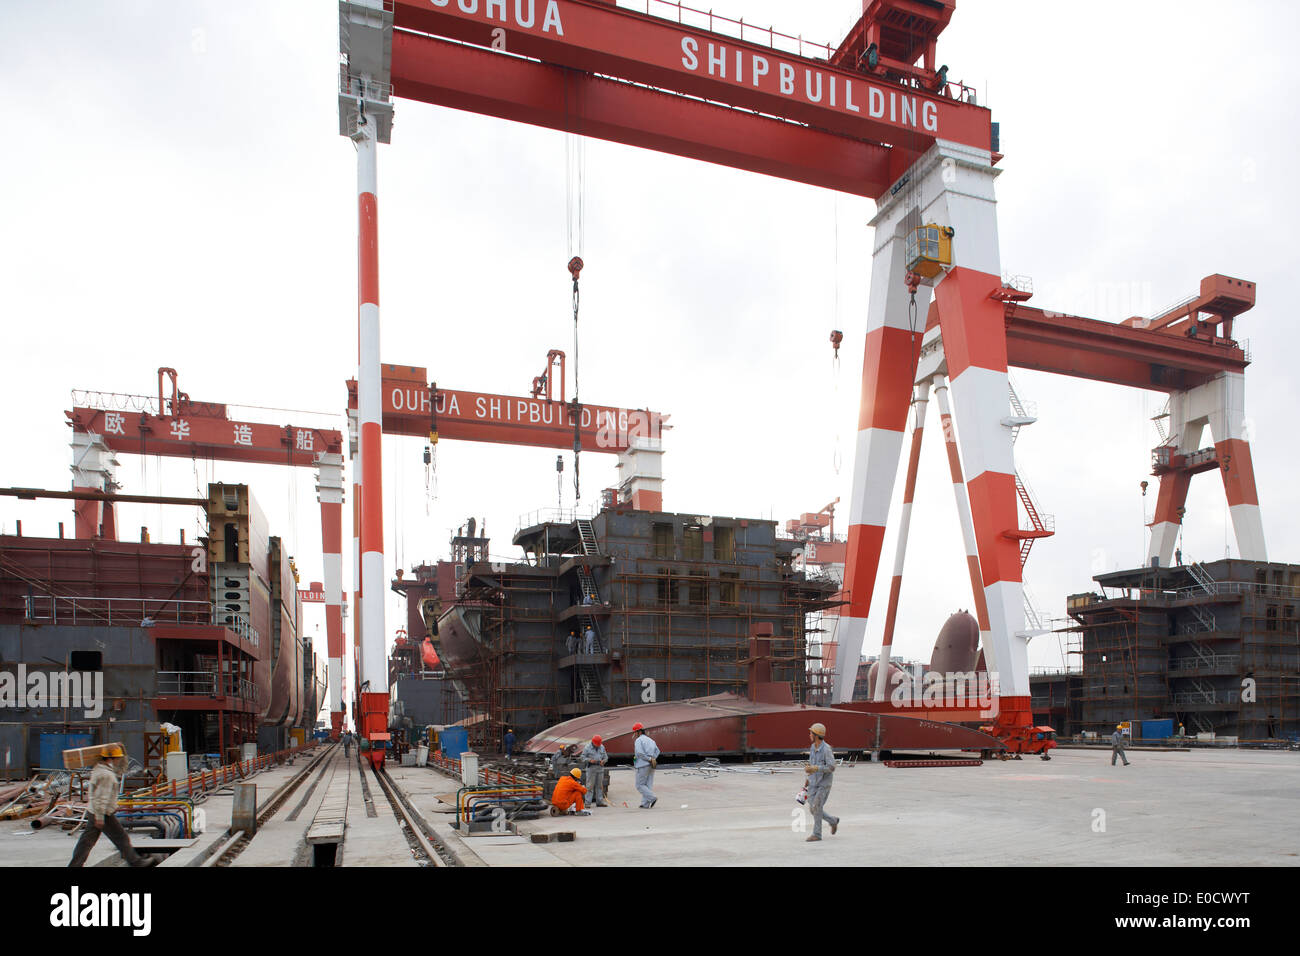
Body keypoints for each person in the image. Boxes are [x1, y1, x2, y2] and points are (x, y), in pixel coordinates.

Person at [69, 745, 154, 867]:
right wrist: (99, 817)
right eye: (118, 758)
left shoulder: (99, 769)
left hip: (95, 811)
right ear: (111, 759)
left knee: (86, 842)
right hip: (102, 813)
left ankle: (75, 865)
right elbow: (101, 797)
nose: (119, 760)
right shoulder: (107, 775)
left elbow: (120, 770)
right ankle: (137, 862)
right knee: (121, 837)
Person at [803, 722, 839, 843]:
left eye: (811, 733)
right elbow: (812, 764)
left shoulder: (826, 749)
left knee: (817, 806)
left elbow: (832, 767)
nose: (809, 735)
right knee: (813, 809)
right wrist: (808, 778)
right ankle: (833, 821)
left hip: (824, 783)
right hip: (813, 781)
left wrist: (816, 768)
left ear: (816, 735)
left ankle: (817, 834)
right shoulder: (813, 747)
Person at [632, 722, 659, 808]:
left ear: (639, 732)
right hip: (652, 764)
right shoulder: (651, 740)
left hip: (643, 765)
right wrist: (652, 759)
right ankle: (645, 804)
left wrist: (648, 759)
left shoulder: (639, 740)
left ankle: (652, 798)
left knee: (639, 785)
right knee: (648, 785)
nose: (635, 734)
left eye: (635, 732)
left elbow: (639, 753)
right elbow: (657, 751)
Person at [580, 734, 609, 807]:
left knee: (599, 786)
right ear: (593, 742)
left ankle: (599, 802)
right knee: (590, 786)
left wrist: (604, 761)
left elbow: (606, 757)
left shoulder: (602, 747)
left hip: (600, 768)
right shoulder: (587, 748)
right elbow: (582, 757)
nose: (598, 746)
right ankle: (587, 803)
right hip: (591, 769)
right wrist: (589, 760)